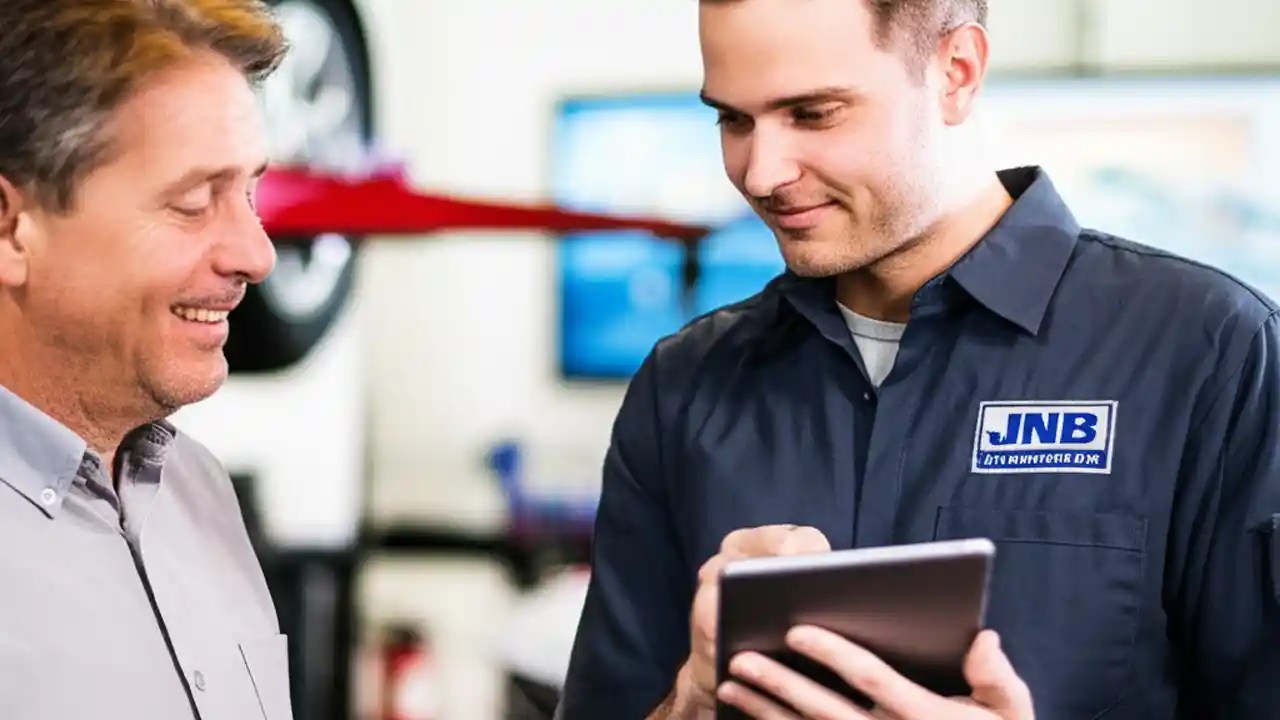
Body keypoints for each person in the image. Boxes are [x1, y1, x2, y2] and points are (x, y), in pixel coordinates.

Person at [558, 0, 1280, 718]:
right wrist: (693, 699)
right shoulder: (685, 386)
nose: (760, 173)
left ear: (956, 72)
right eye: (734, 120)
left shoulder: (1211, 354)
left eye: (812, 113)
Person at [0, 1, 293, 718]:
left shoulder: (199, 493)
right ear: (11, 229)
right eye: (195, 201)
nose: (257, 255)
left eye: (249, 192)